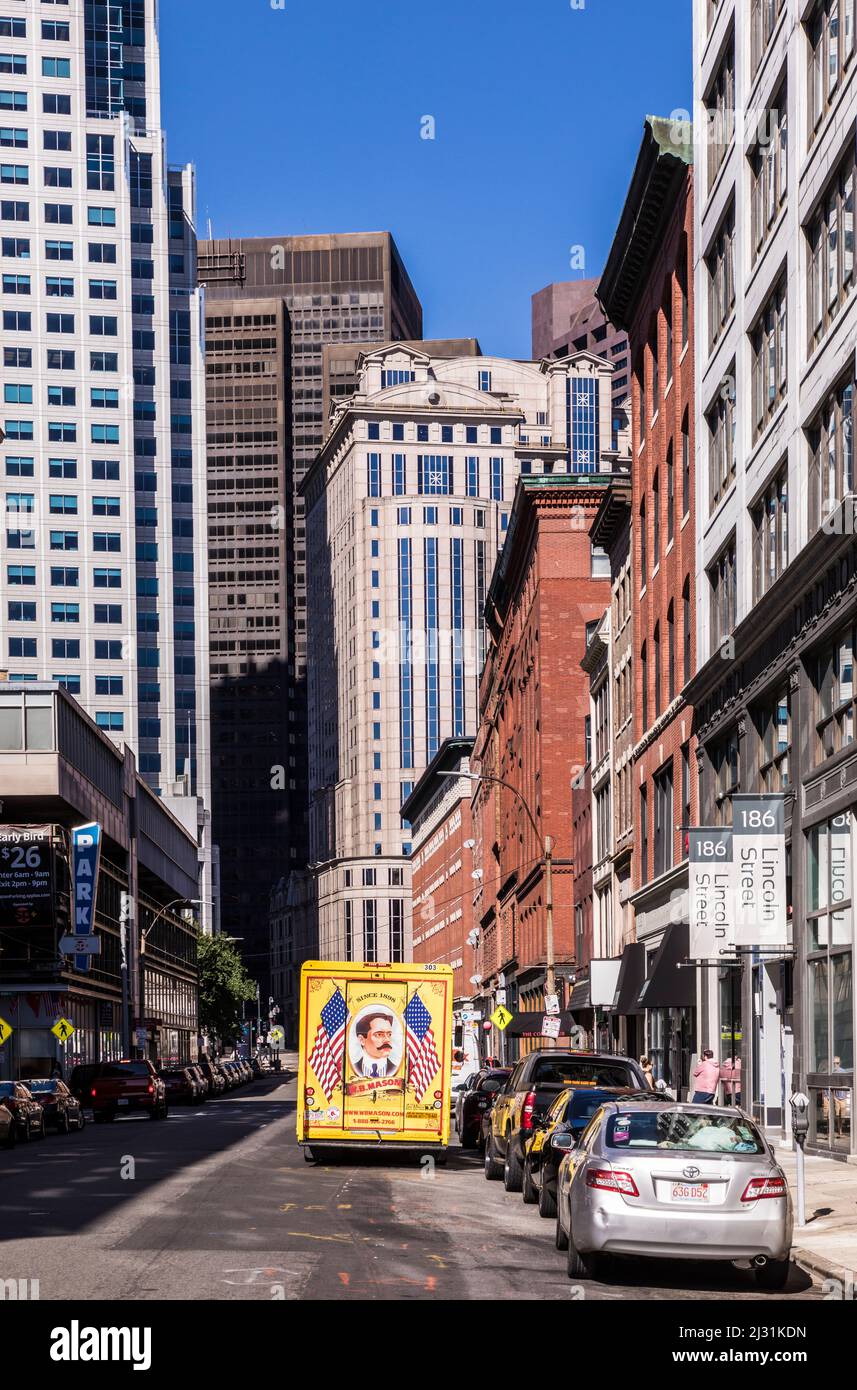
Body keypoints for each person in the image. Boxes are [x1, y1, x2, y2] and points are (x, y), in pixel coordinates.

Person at [352, 1011, 399, 1079]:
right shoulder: (352, 1069)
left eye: (389, 1034)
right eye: (379, 1034)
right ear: (362, 1040)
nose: (387, 1040)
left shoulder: (396, 1070)